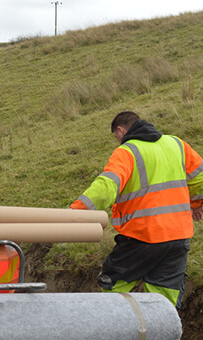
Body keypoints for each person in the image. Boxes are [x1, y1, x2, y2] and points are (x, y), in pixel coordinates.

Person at [71, 111, 203, 308]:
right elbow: (199, 178)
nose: (118, 141)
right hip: (179, 237)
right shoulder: (177, 144)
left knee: (113, 285)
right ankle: (160, 337)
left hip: (142, 236)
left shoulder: (127, 151)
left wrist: (75, 212)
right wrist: (197, 204)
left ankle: (112, 332)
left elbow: (106, 187)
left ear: (120, 130)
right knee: (164, 299)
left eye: (116, 137)